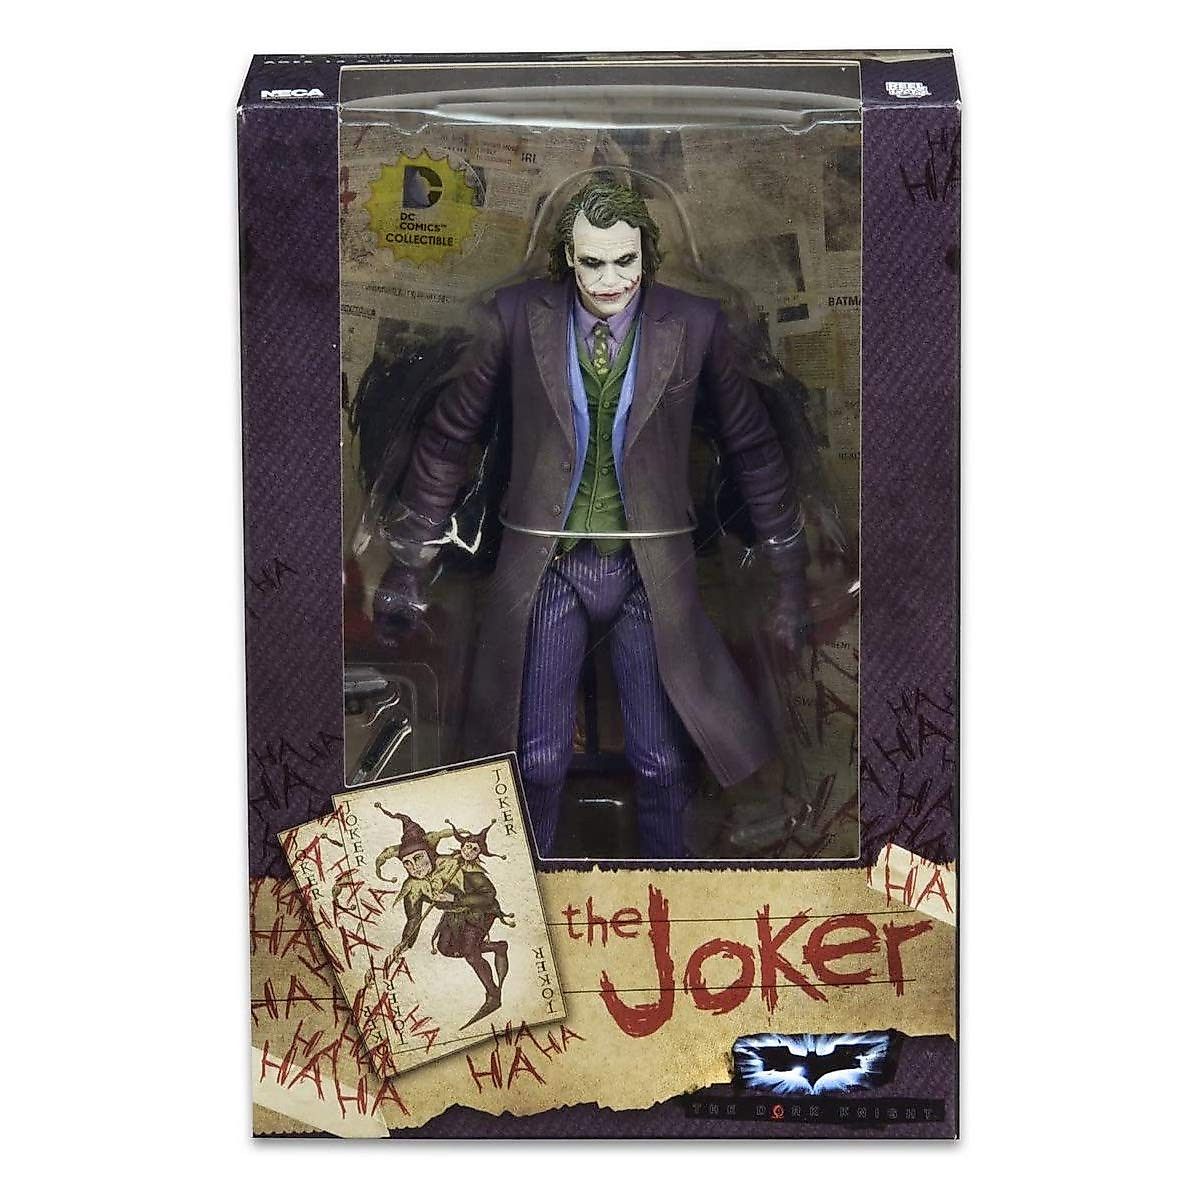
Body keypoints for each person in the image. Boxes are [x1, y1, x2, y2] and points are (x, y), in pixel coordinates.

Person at [375, 175, 809, 859]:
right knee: (535, 759)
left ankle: (669, 890)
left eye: (626, 260)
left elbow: (752, 447)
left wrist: (788, 573)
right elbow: (450, 437)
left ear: (648, 254)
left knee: (663, 760)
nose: (610, 280)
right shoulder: (517, 316)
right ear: (567, 259)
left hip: (650, 569)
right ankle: (528, 889)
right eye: (592, 262)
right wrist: (409, 560)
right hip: (549, 563)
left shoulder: (694, 323)